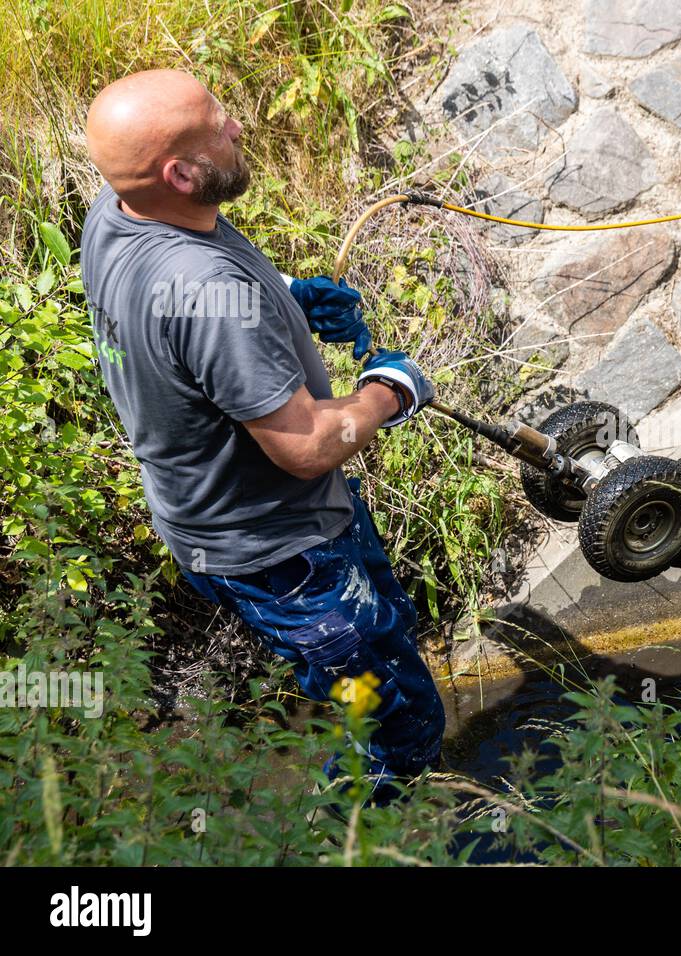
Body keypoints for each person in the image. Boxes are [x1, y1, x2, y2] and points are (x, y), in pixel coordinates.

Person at [80, 69, 444, 799]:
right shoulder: (213, 299)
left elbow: (184, 325)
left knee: (387, 636)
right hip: (284, 555)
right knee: (388, 722)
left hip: (236, 526)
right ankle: (368, 829)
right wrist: (390, 390)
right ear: (179, 174)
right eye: (217, 124)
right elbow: (308, 446)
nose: (237, 125)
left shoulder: (120, 212)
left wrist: (287, 301)